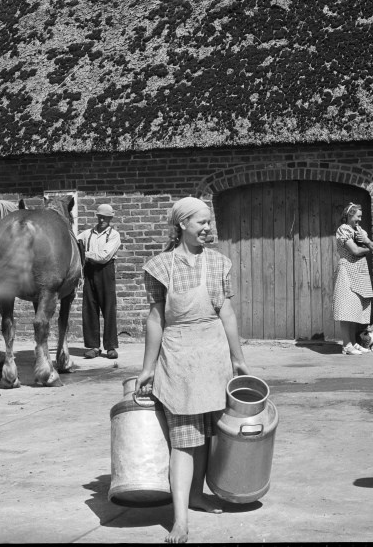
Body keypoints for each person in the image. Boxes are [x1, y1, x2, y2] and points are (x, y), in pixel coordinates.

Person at [136, 197, 250, 544]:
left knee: (206, 435)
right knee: (184, 442)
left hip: (213, 358)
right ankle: (180, 520)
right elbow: (156, 319)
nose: (207, 228)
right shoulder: (160, 266)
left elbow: (226, 313)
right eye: (201, 222)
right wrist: (147, 368)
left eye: (209, 222)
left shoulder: (219, 263)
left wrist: (238, 358)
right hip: (179, 360)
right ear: (182, 224)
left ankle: (197, 495)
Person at [77, 204, 121, 359]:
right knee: (89, 308)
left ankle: (110, 346)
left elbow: (104, 257)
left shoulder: (114, 235)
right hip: (89, 272)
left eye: (105, 217)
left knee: (109, 308)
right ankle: (93, 346)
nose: (102, 220)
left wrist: (84, 253)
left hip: (105, 272)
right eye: (100, 217)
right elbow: (74, 242)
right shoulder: (87, 234)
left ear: (110, 218)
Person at [333, 203, 373, 355]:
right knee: (347, 309)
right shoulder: (343, 229)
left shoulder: (359, 231)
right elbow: (355, 250)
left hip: (359, 272)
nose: (360, 219)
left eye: (361, 217)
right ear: (349, 215)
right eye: (358, 216)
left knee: (355, 309)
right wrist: (368, 248)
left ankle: (353, 342)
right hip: (347, 270)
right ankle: (346, 345)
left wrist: (367, 241)